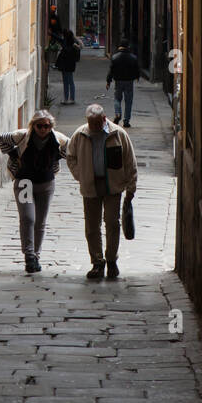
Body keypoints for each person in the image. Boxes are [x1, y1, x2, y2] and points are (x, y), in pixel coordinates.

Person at [66, 103, 137, 280]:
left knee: (112, 223)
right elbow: (70, 156)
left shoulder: (118, 134)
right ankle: (97, 262)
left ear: (104, 119)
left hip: (113, 185)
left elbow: (130, 162)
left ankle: (112, 261)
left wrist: (131, 187)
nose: (94, 127)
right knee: (92, 226)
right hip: (90, 185)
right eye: (91, 123)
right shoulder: (81, 134)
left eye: (97, 123)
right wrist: (80, 175)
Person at [0, 111, 68, 274]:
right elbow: (2, 139)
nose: (43, 129)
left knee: (40, 221)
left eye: (47, 126)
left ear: (51, 126)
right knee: (28, 218)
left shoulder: (57, 138)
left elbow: (70, 147)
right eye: (40, 126)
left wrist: (56, 158)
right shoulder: (22, 135)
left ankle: (36, 255)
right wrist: (14, 155)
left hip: (46, 184)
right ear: (33, 125)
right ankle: (29, 256)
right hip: (24, 182)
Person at [106, 41, 140, 127]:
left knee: (117, 99)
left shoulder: (114, 57)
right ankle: (126, 121)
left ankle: (118, 113)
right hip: (129, 82)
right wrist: (137, 77)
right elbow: (136, 69)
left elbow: (111, 71)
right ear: (128, 46)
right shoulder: (133, 57)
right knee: (129, 101)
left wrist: (108, 82)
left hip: (118, 81)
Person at [54, 29, 81, 104]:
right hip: (70, 65)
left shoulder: (65, 43)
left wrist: (50, 33)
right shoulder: (73, 43)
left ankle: (67, 99)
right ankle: (71, 99)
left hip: (64, 65)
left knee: (66, 82)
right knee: (70, 81)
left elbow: (57, 38)